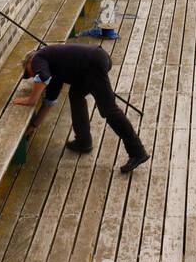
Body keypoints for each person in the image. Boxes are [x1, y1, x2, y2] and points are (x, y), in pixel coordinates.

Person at [14, 43, 150, 174]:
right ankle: (83, 141)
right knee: (76, 95)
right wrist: (34, 125)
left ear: (29, 63)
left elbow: (42, 77)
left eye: (29, 73)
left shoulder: (38, 58)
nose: (32, 77)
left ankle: (138, 152)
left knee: (109, 110)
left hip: (92, 63)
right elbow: (49, 102)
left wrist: (30, 100)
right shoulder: (53, 72)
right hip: (90, 64)